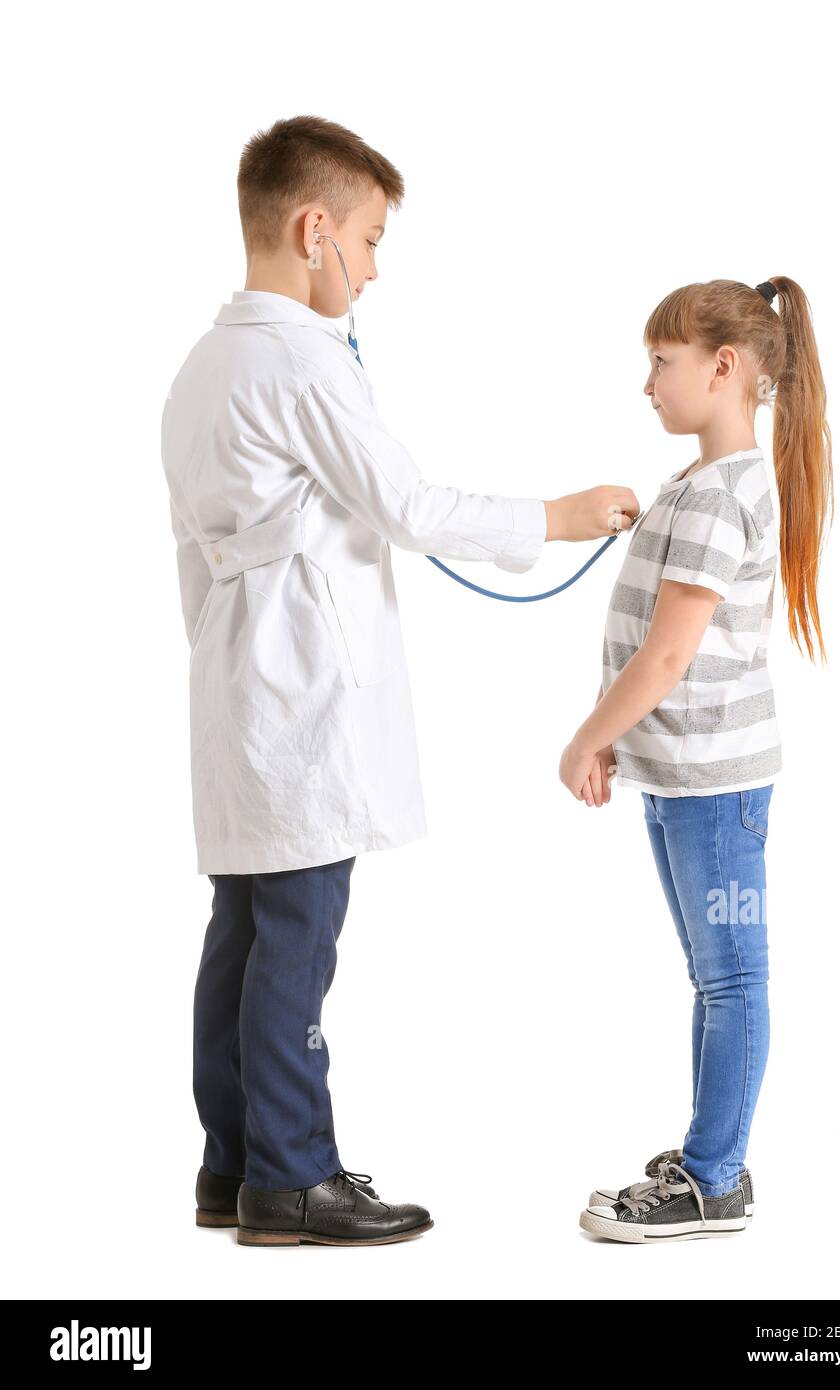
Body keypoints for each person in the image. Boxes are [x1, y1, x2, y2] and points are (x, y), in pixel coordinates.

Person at [162, 114, 640, 1247]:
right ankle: (293, 1174)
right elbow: (410, 509)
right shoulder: (296, 359)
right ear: (311, 228)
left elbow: (195, 555)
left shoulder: (203, 365)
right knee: (296, 938)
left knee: (243, 927)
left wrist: (234, 666)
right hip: (300, 699)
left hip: (240, 689)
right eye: (370, 240)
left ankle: (230, 1166)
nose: (374, 268)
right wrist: (558, 517)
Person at [558, 277, 832, 1244]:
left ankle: (715, 1177)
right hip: (689, 783)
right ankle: (712, 1155)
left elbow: (668, 655)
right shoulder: (701, 487)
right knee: (714, 978)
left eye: (661, 362)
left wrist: (589, 737)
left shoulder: (723, 495)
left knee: (732, 981)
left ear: (724, 368)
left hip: (716, 792)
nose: (648, 384)